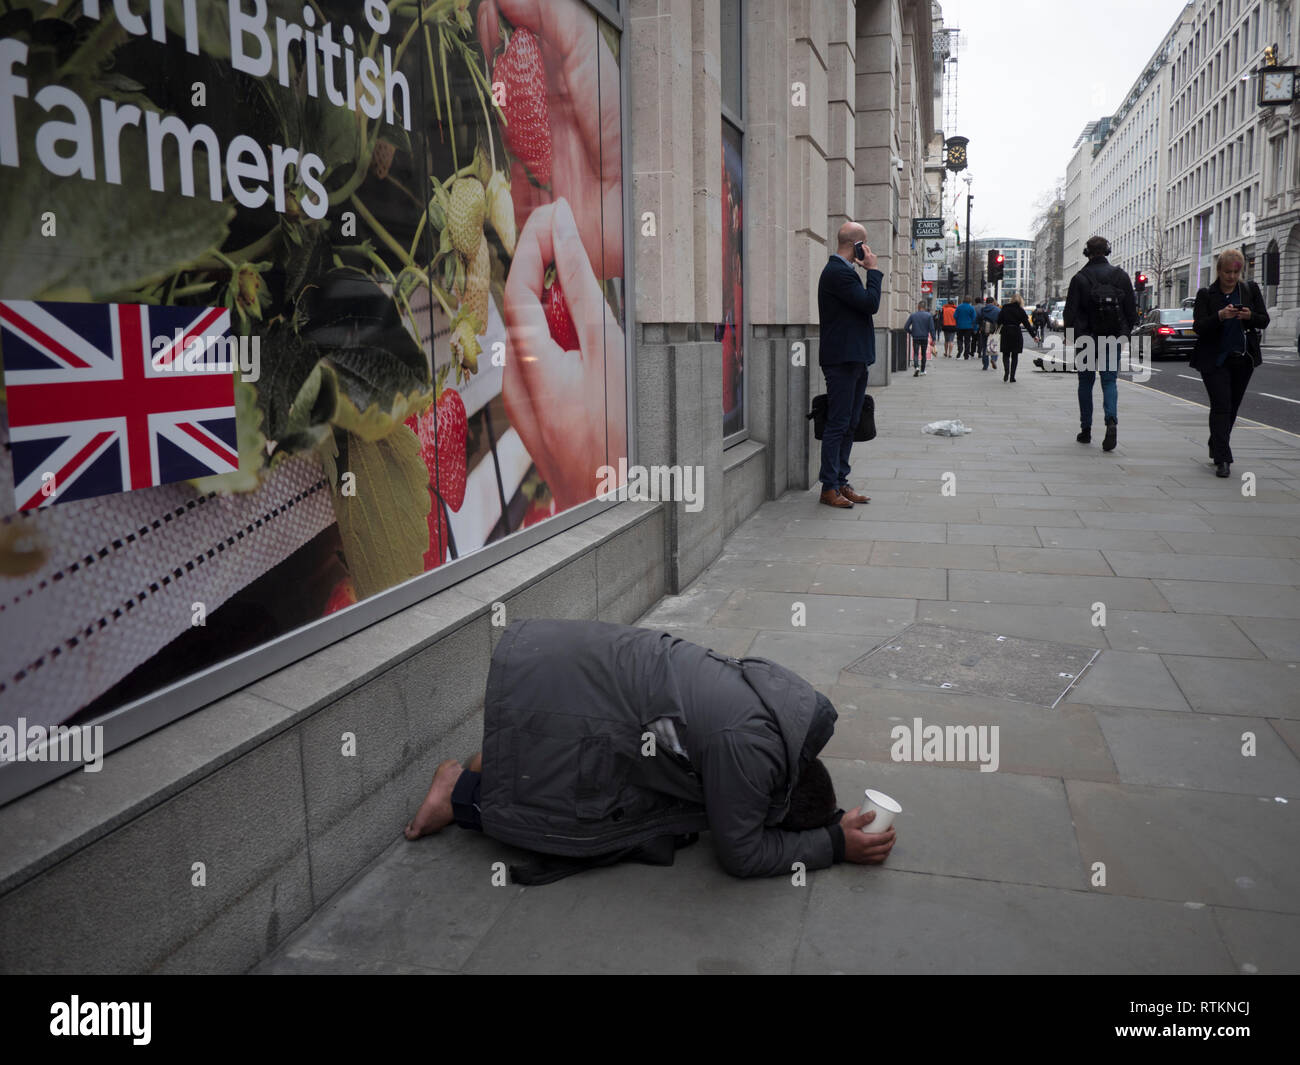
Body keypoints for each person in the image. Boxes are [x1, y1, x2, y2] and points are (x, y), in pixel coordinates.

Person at [404, 619, 898, 881]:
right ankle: (459, 794)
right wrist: (833, 846)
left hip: (598, 660)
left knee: (562, 758)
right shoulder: (747, 753)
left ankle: (491, 763)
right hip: (600, 698)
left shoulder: (787, 714)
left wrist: (832, 823)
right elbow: (742, 855)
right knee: (573, 821)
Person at [813, 221, 883, 508]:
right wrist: (874, 271)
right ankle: (829, 487)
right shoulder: (837, 273)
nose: (867, 250)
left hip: (853, 358)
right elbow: (870, 303)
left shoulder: (845, 272)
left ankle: (840, 481)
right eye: (864, 244)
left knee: (850, 423)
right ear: (854, 245)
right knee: (838, 423)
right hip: (842, 360)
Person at [1189, 248, 1268, 477]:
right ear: (1218, 270)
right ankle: (1224, 459)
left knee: (1232, 408)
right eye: (1226, 272)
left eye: (1235, 272)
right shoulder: (1206, 294)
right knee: (1221, 405)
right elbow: (1199, 327)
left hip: (1243, 359)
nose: (1231, 277)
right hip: (1214, 360)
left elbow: (1264, 320)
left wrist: (1249, 316)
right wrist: (1220, 316)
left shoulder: (1249, 290)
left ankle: (1217, 443)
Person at [1063, 235, 1137, 451]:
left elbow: (1070, 312)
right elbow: (1131, 312)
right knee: (1109, 381)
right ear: (1108, 251)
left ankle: (1086, 430)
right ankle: (1111, 421)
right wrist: (1124, 335)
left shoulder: (1079, 278)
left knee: (1085, 383)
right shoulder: (1121, 276)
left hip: (1086, 338)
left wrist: (1072, 337)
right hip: (1112, 337)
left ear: (1087, 252)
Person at [998, 293, 1033, 383]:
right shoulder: (1020, 310)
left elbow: (999, 321)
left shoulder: (1005, 308)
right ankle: (1012, 376)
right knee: (1015, 355)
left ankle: (1006, 371)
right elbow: (1027, 324)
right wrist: (1034, 335)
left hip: (1005, 332)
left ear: (1011, 300)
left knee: (1005, 354)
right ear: (1020, 301)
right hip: (1016, 332)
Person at [905, 300, 936, 376]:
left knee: (915, 353)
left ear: (918, 307)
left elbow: (906, 327)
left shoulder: (913, 315)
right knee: (923, 354)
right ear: (925, 307)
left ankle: (916, 367)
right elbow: (932, 328)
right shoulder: (929, 316)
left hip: (916, 337)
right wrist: (934, 339)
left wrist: (911, 332)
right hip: (924, 337)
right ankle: (922, 370)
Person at [976, 296, 1000, 370]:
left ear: (986, 302)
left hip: (984, 329)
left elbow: (978, 318)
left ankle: (985, 365)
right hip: (994, 329)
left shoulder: (983, 309)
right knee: (993, 345)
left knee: (985, 346)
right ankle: (993, 358)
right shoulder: (997, 309)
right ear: (993, 302)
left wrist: (979, 327)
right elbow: (1000, 319)